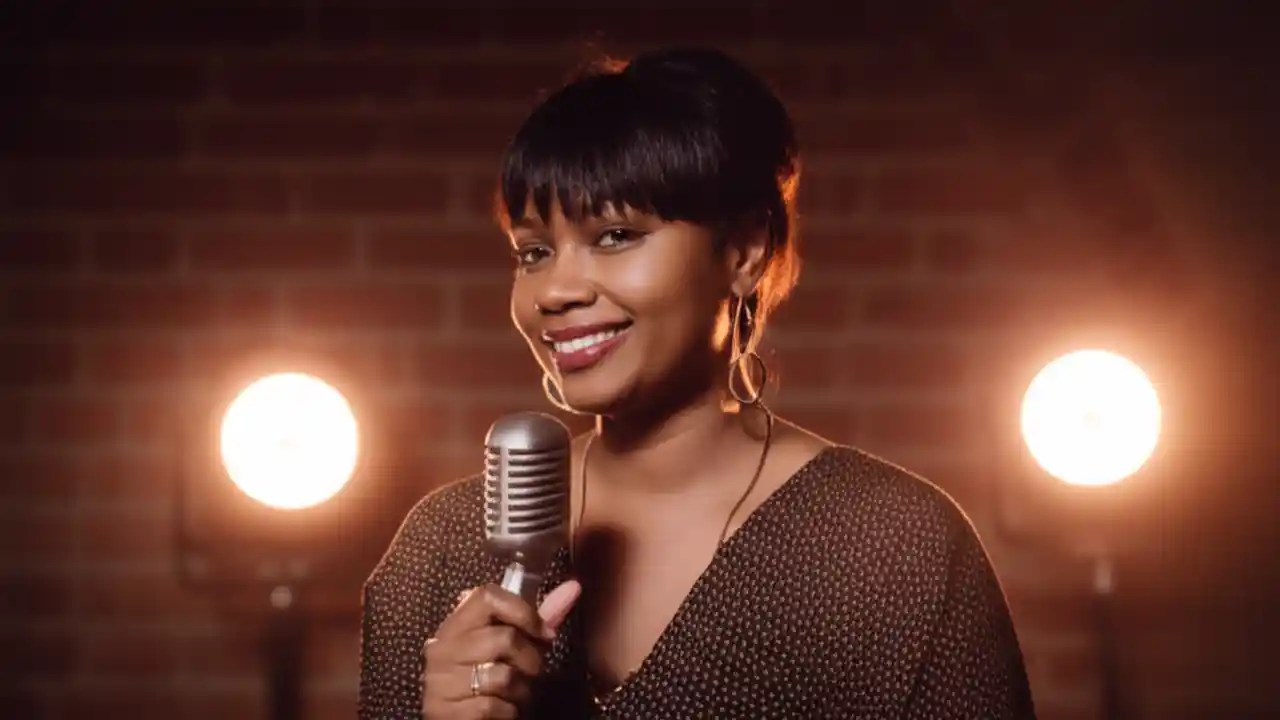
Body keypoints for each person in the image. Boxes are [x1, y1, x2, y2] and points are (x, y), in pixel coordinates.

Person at [358, 46, 1035, 719]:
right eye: (534, 252)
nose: (555, 291)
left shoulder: (892, 547)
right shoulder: (441, 549)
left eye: (615, 235)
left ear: (743, 253)